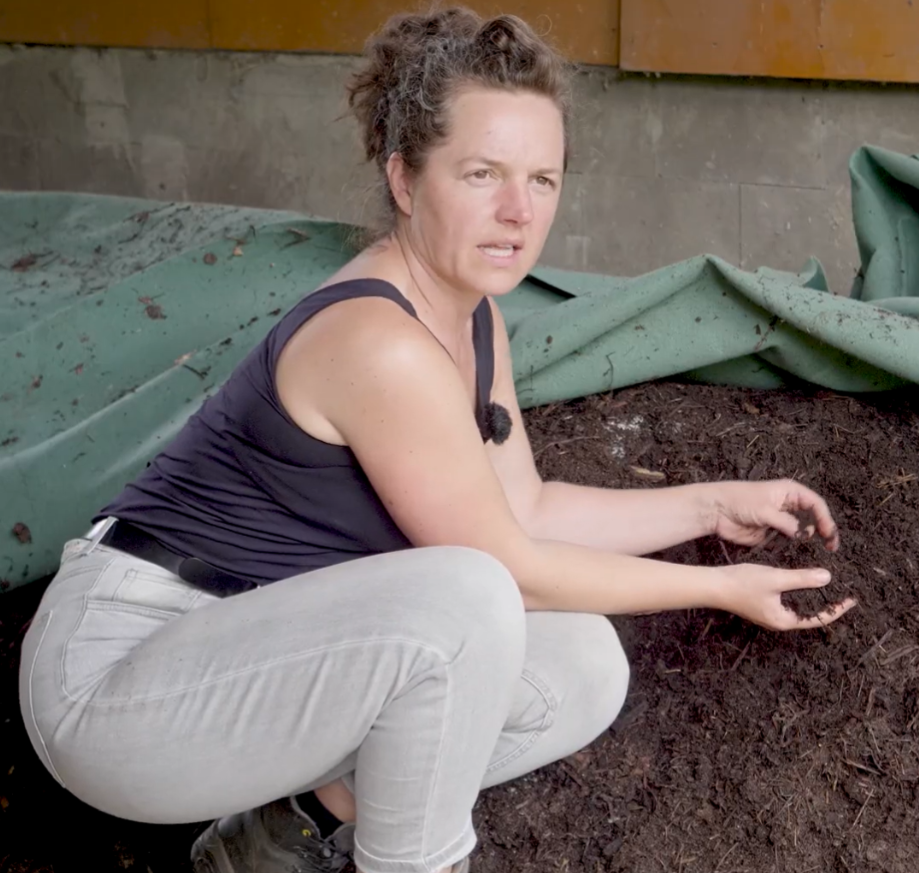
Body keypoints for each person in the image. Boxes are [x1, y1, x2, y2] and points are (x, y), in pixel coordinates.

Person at [18, 7, 855, 873]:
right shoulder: (378, 341)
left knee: (578, 665)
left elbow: (526, 510)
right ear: (405, 180)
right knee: (471, 594)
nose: (517, 211)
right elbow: (508, 568)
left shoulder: (471, 317)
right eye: (481, 173)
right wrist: (716, 588)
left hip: (244, 649)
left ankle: (279, 839)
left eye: (542, 179)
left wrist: (712, 506)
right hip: (118, 682)